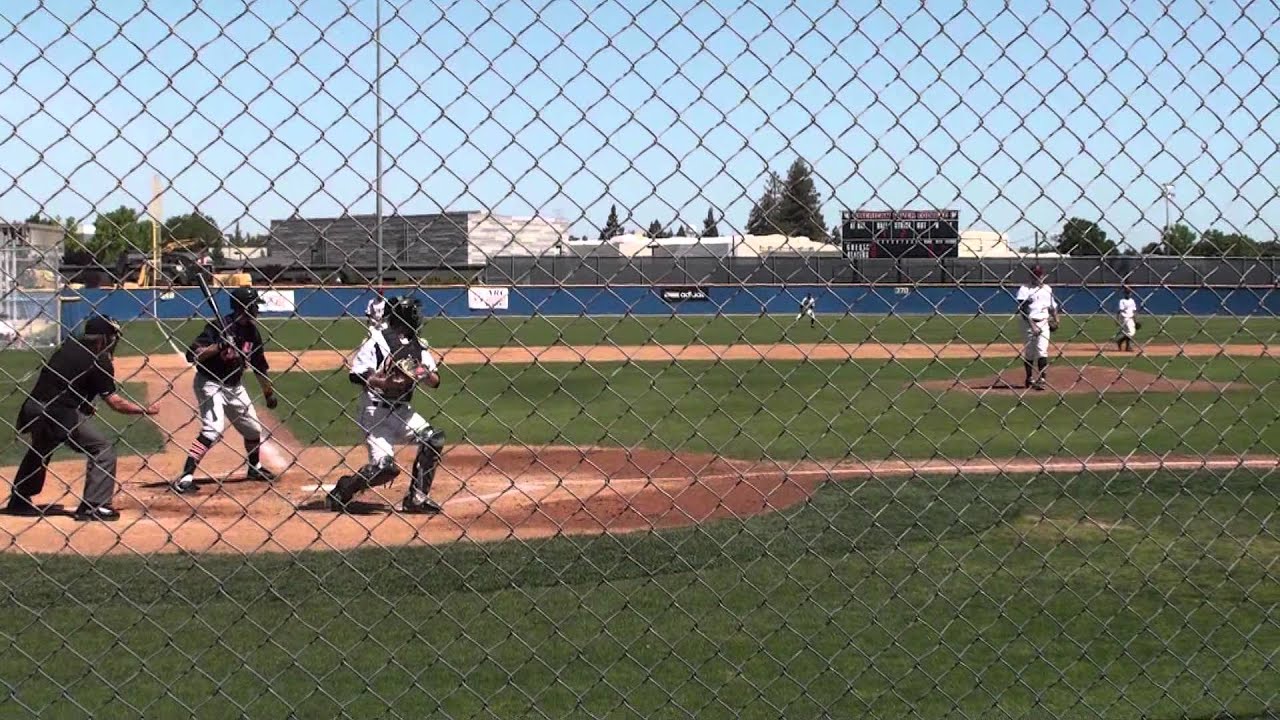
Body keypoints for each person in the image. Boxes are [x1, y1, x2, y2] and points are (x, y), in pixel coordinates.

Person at [4, 315, 159, 521]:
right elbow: (116, 403)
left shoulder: (68, 348)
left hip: (33, 408)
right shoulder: (99, 361)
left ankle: (19, 499)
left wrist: (82, 403)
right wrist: (145, 410)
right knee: (102, 449)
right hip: (58, 412)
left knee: (42, 447)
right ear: (104, 338)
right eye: (113, 338)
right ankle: (94, 505)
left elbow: (63, 381)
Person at [327, 296, 445, 514]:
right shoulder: (376, 340)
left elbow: (435, 382)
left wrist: (421, 372)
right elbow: (356, 375)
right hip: (375, 415)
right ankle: (344, 489)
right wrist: (385, 383)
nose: (419, 317)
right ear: (404, 316)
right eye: (415, 313)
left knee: (433, 439)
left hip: (403, 413)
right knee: (385, 469)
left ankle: (417, 498)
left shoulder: (418, 345)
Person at [171, 287, 280, 494]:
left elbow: (259, 366)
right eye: (254, 306)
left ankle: (254, 468)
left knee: (253, 430)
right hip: (210, 383)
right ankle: (185, 477)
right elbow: (192, 355)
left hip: (234, 387)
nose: (257, 310)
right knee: (213, 429)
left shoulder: (252, 333)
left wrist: (268, 393)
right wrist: (218, 347)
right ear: (244, 308)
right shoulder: (218, 326)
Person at [1015, 265, 1059, 390]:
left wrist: (1056, 319)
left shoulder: (1047, 289)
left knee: (1042, 351)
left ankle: (1042, 379)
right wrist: (1033, 326)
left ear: (1043, 276)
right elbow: (1023, 310)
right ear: (1031, 275)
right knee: (1029, 353)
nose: (1038, 277)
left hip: (1044, 323)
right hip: (1028, 324)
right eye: (1035, 274)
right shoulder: (1025, 289)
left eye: (1040, 275)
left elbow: (1052, 306)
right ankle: (1029, 378)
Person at [1116, 287, 1138, 352]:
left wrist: (1136, 320)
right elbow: (1119, 311)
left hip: (1131, 318)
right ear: (1124, 293)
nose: (1128, 294)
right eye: (1127, 293)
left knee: (1129, 332)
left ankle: (1127, 346)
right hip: (1125, 318)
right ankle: (1121, 341)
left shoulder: (1132, 301)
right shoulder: (1122, 301)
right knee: (1131, 332)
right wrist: (1117, 319)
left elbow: (1134, 311)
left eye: (1129, 293)